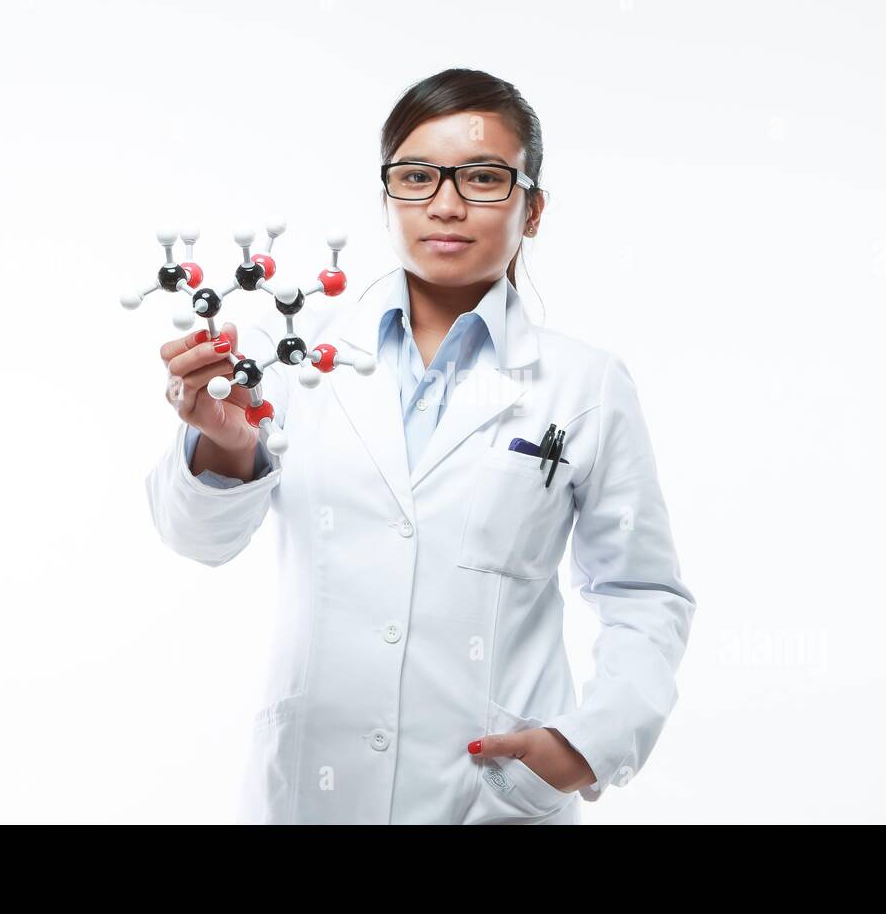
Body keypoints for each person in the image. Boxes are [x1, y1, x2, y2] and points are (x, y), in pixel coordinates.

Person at [145, 67, 696, 824]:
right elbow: (197, 541)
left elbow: (644, 594)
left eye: (482, 177)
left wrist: (590, 744)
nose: (445, 203)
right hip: (314, 788)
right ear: (387, 199)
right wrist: (225, 449)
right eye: (416, 177)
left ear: (533, 209)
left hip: (491, 796)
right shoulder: (292, 357)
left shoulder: (584, 385)